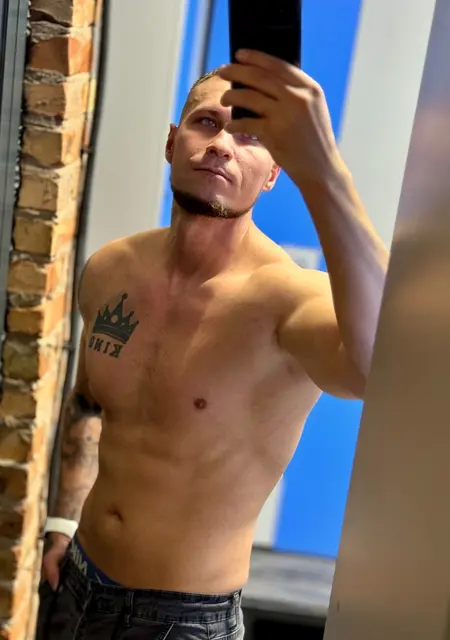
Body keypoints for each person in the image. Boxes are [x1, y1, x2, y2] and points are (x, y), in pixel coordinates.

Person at [37, 49, 388, 639]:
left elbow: (383, 368)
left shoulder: (288, 300)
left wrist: (323, 168)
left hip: (184, 621)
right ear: (172, 142)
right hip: (74, 583)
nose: (223, 144)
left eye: (250, 136)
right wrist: (61, 522)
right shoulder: (110, 269)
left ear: (274, 174)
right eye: (207, 123)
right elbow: (89, 404)